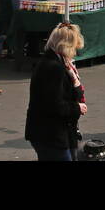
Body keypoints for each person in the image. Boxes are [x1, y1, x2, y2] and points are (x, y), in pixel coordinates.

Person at [24, 23, 86, 160]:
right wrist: (77, 107)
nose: (75, 52)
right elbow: (55, 104)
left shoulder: (60, 64)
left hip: (55, 133)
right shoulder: (54, 68)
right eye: (74, 47)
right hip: (49, 133)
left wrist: (75, 85)